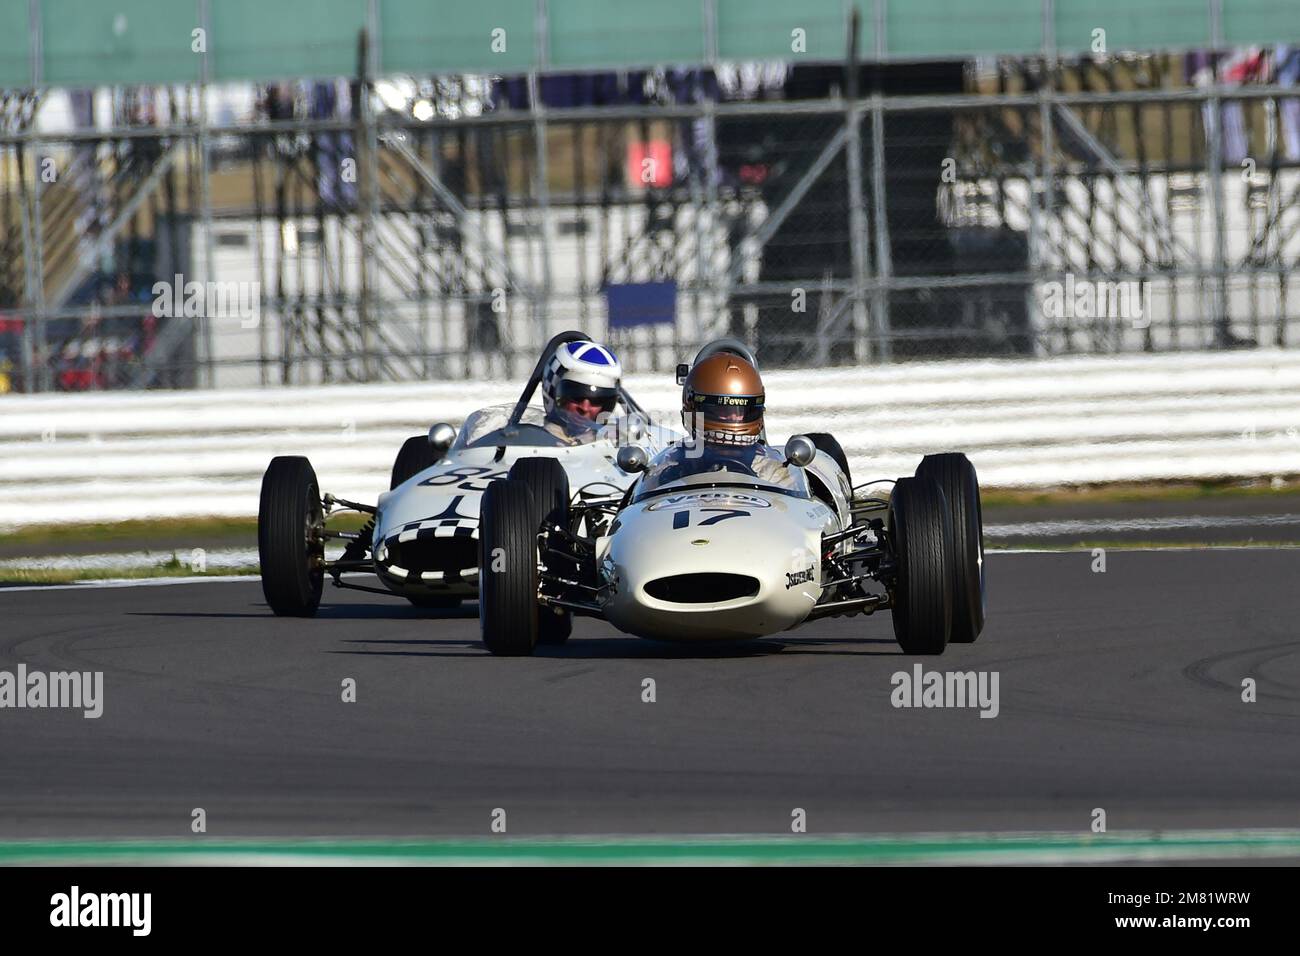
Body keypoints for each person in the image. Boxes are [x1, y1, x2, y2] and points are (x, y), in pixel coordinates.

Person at [652, 351, 801, 490]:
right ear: (693, 405)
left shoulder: (772, 473)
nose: (733, 417)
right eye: (723, 410)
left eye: (743, 411)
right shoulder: (670, 468)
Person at [540, 339, 623, 444]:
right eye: (576, 396)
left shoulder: (615, 445)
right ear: (552, 391)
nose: (584, 408)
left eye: (598, 399)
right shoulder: (530, 446)